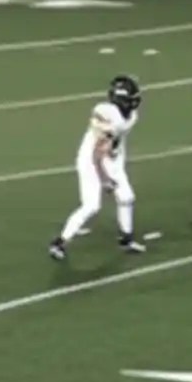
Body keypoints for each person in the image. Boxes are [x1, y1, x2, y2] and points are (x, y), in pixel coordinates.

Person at [49, 75, 146, 260]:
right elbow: (98, 152)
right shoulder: (108, 115)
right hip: (90, 160)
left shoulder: (131, 116)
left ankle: (126, 239)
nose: (135, 102)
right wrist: (105, 180)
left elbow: (113, 143)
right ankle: (59, 242)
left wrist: (115, 164)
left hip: (111, 159)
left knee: (126, 197)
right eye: (131, 98)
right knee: (92, 205)